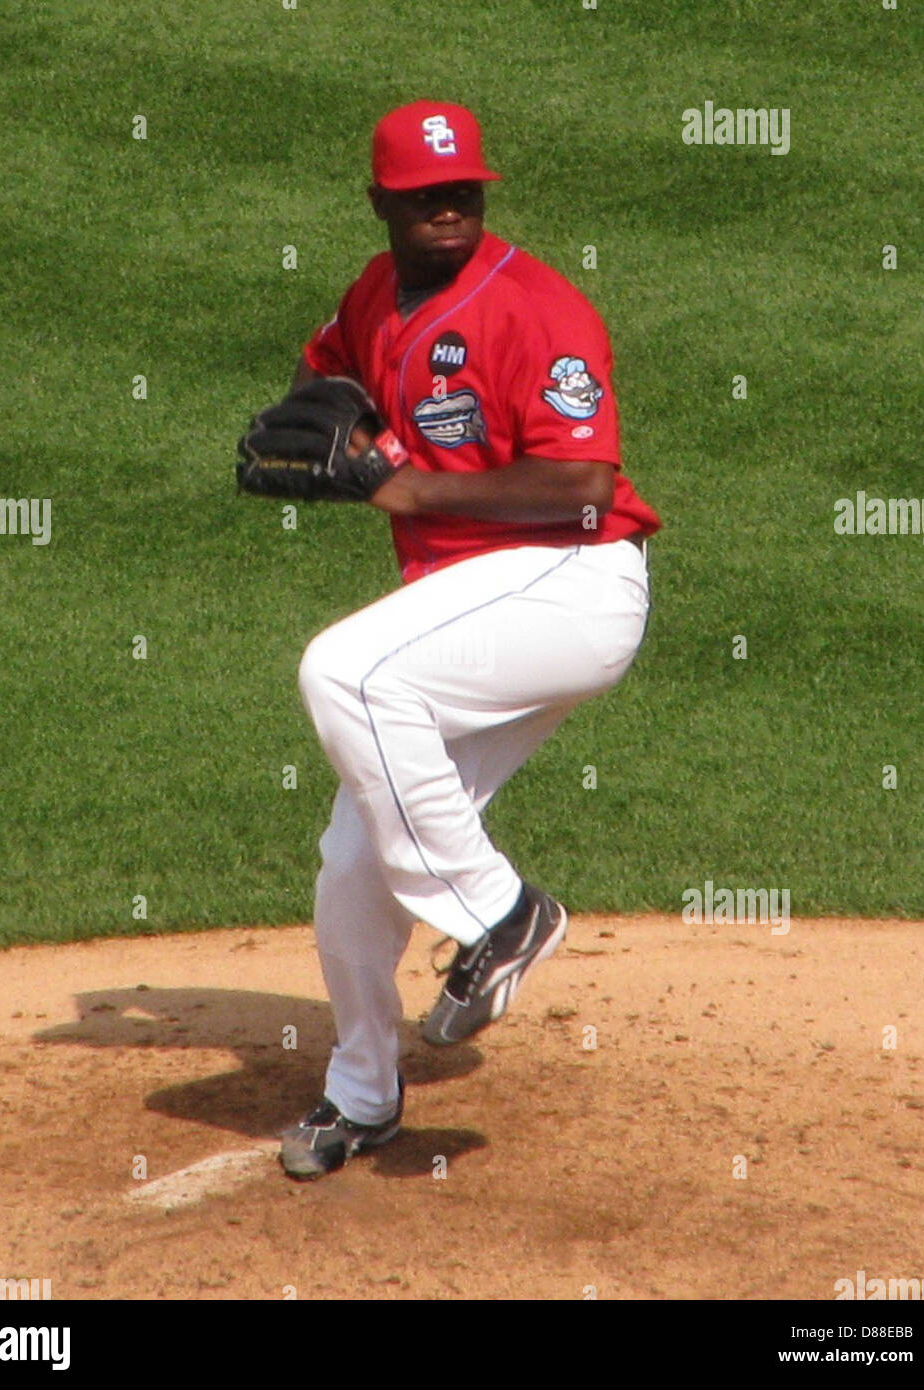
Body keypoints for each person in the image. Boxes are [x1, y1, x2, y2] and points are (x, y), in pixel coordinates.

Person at [278, 100, 661, 1179]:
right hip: (478, 607)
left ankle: (501, 913)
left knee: (343, 669)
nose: (449, 207)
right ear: (382, 204)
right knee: (353, 860)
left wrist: (399, 479)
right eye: (424, 195)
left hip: (574, 586)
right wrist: (332, 435)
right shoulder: (373, 292)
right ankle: (362, 1093)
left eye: (465, 191)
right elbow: (327, 386)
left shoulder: (538, 309)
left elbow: (584, 486)